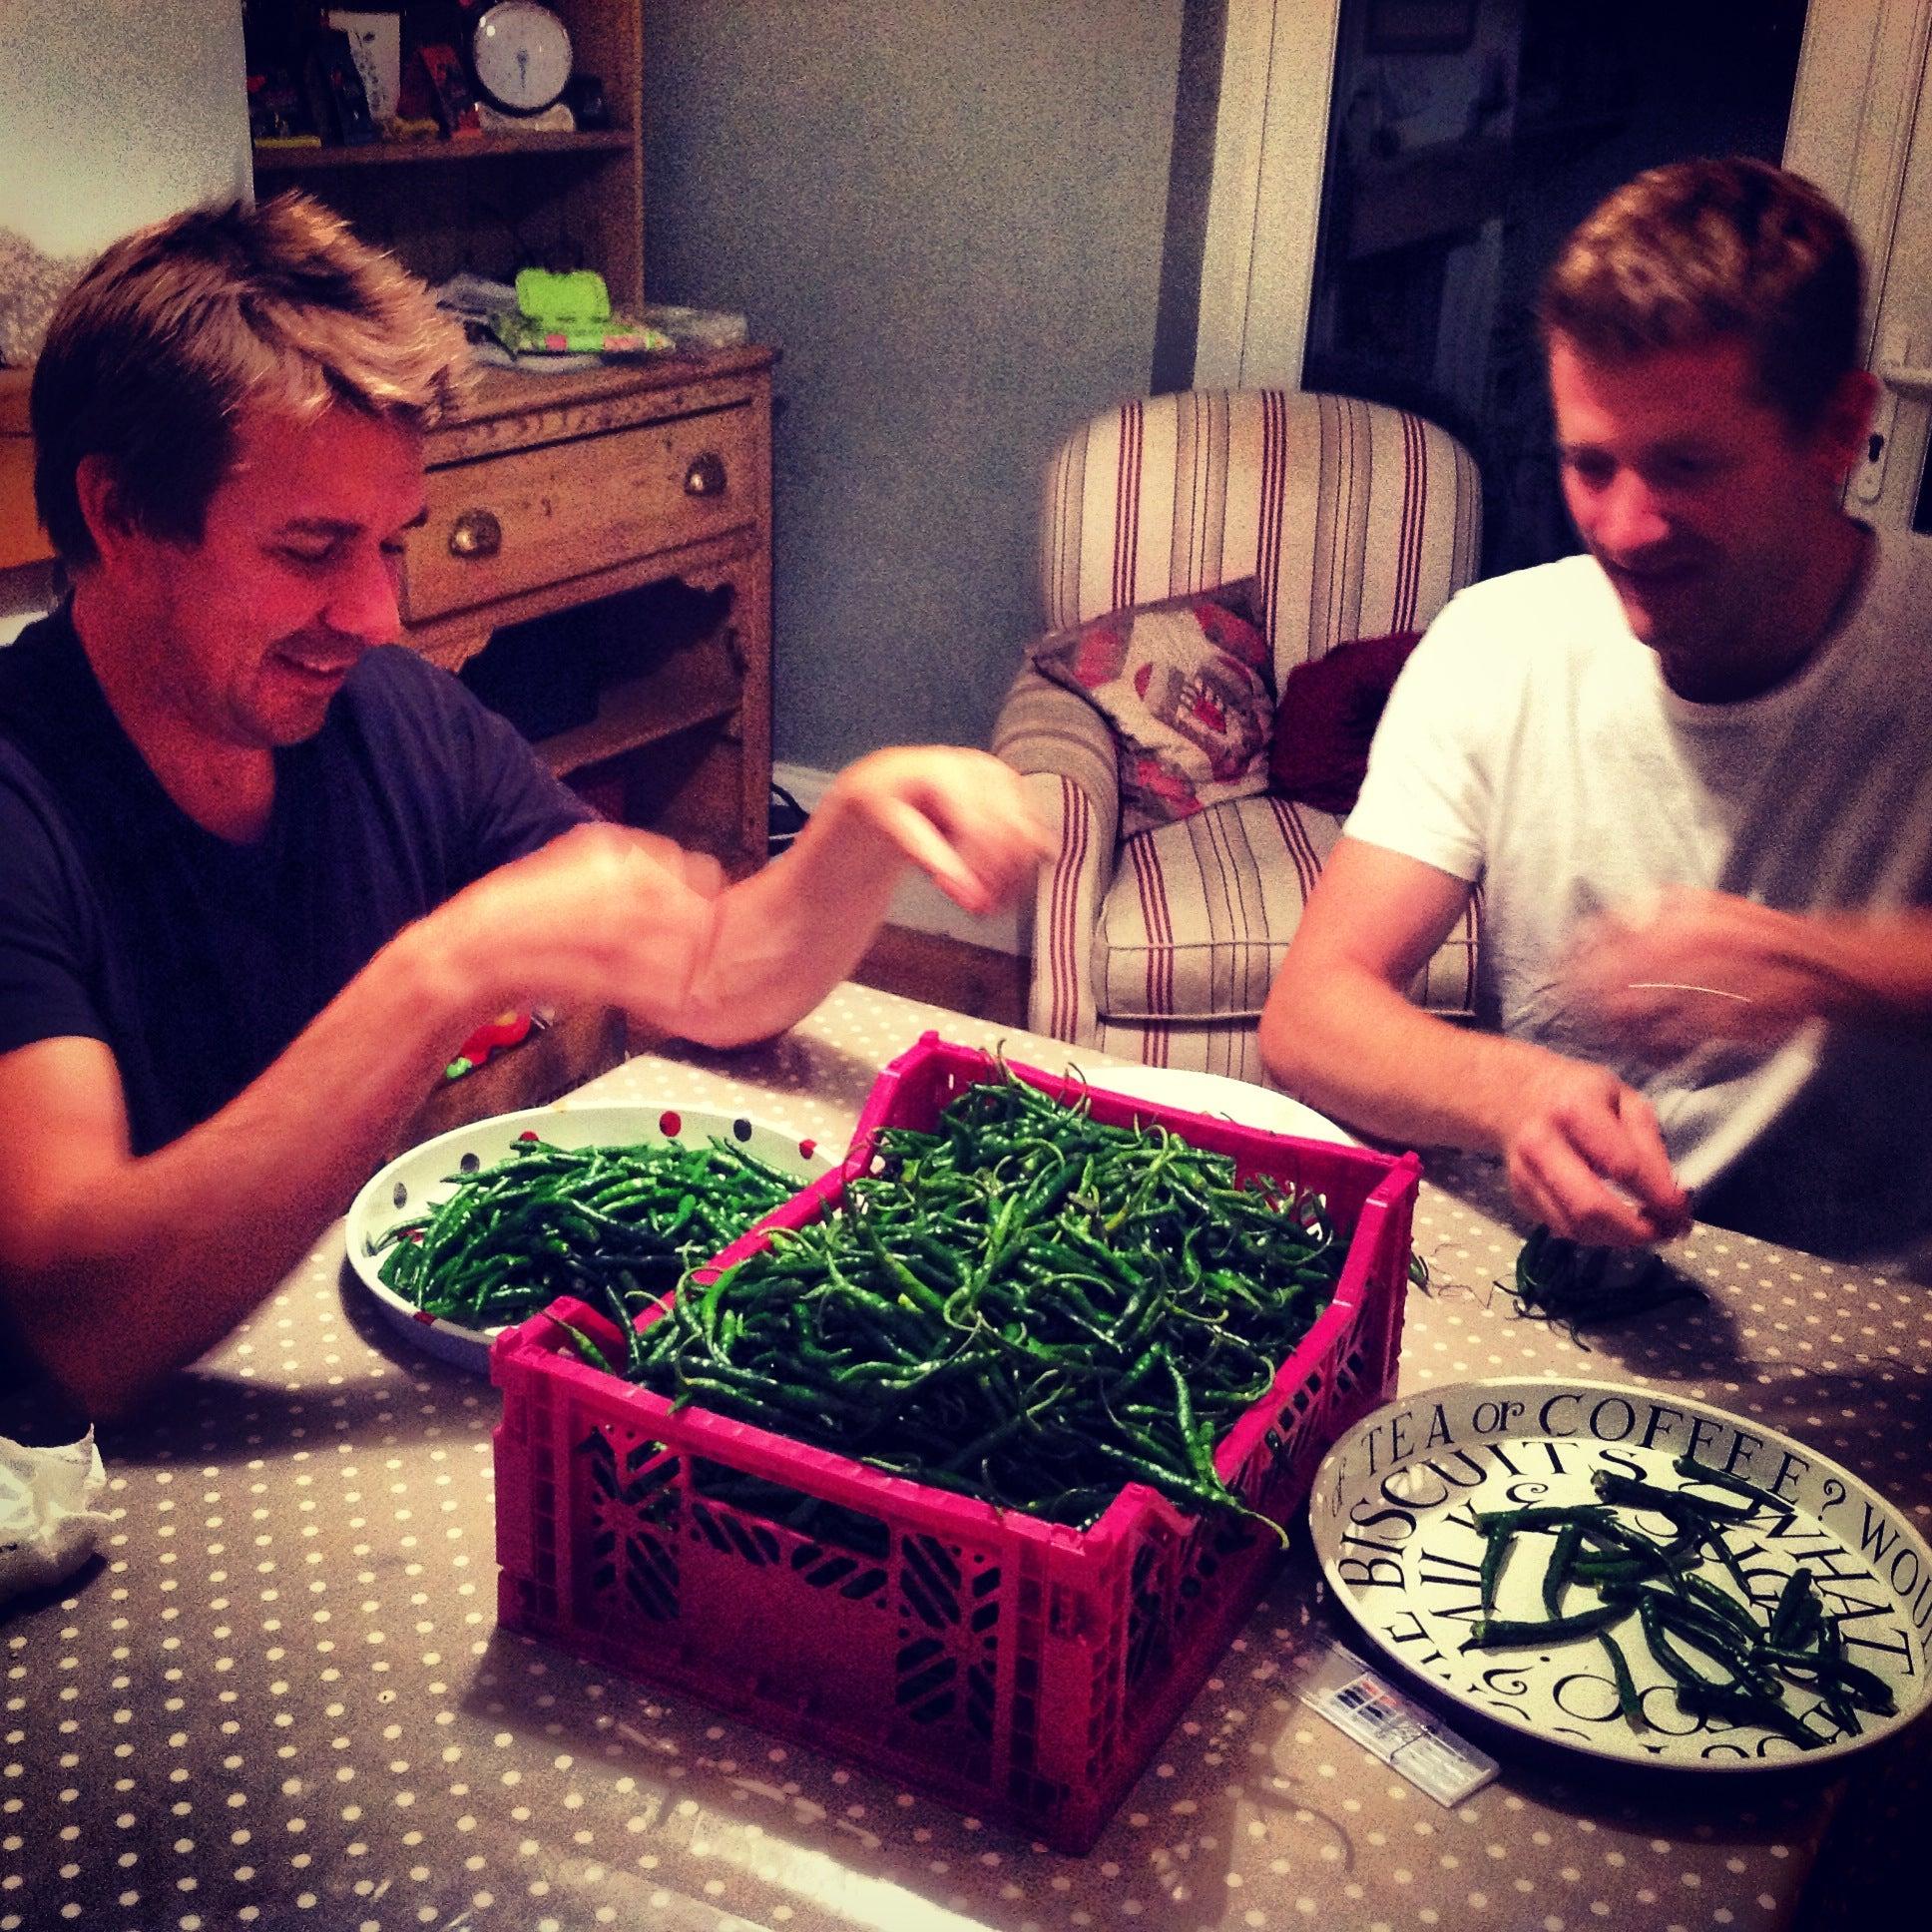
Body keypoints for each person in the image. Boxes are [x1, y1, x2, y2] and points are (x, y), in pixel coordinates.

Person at [0, 192, 1047, 1420]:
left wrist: (858, 826)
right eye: (310, 548)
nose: (377, 615)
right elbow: (74, 1331)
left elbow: (707, 981)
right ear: (120, 515)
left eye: (393, 544)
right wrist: (444, 969)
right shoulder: (23, 799)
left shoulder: (389, 714)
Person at [1260, 157, 1932, 1265]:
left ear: (1837, 427)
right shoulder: (1496, 641)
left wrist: (1826, 963)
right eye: (1590, 464)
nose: (1623, 528)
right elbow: (1309, 1014)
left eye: (1686, 465)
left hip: (1866, 1304)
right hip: (1563, 1270)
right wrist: (1509, 1091)